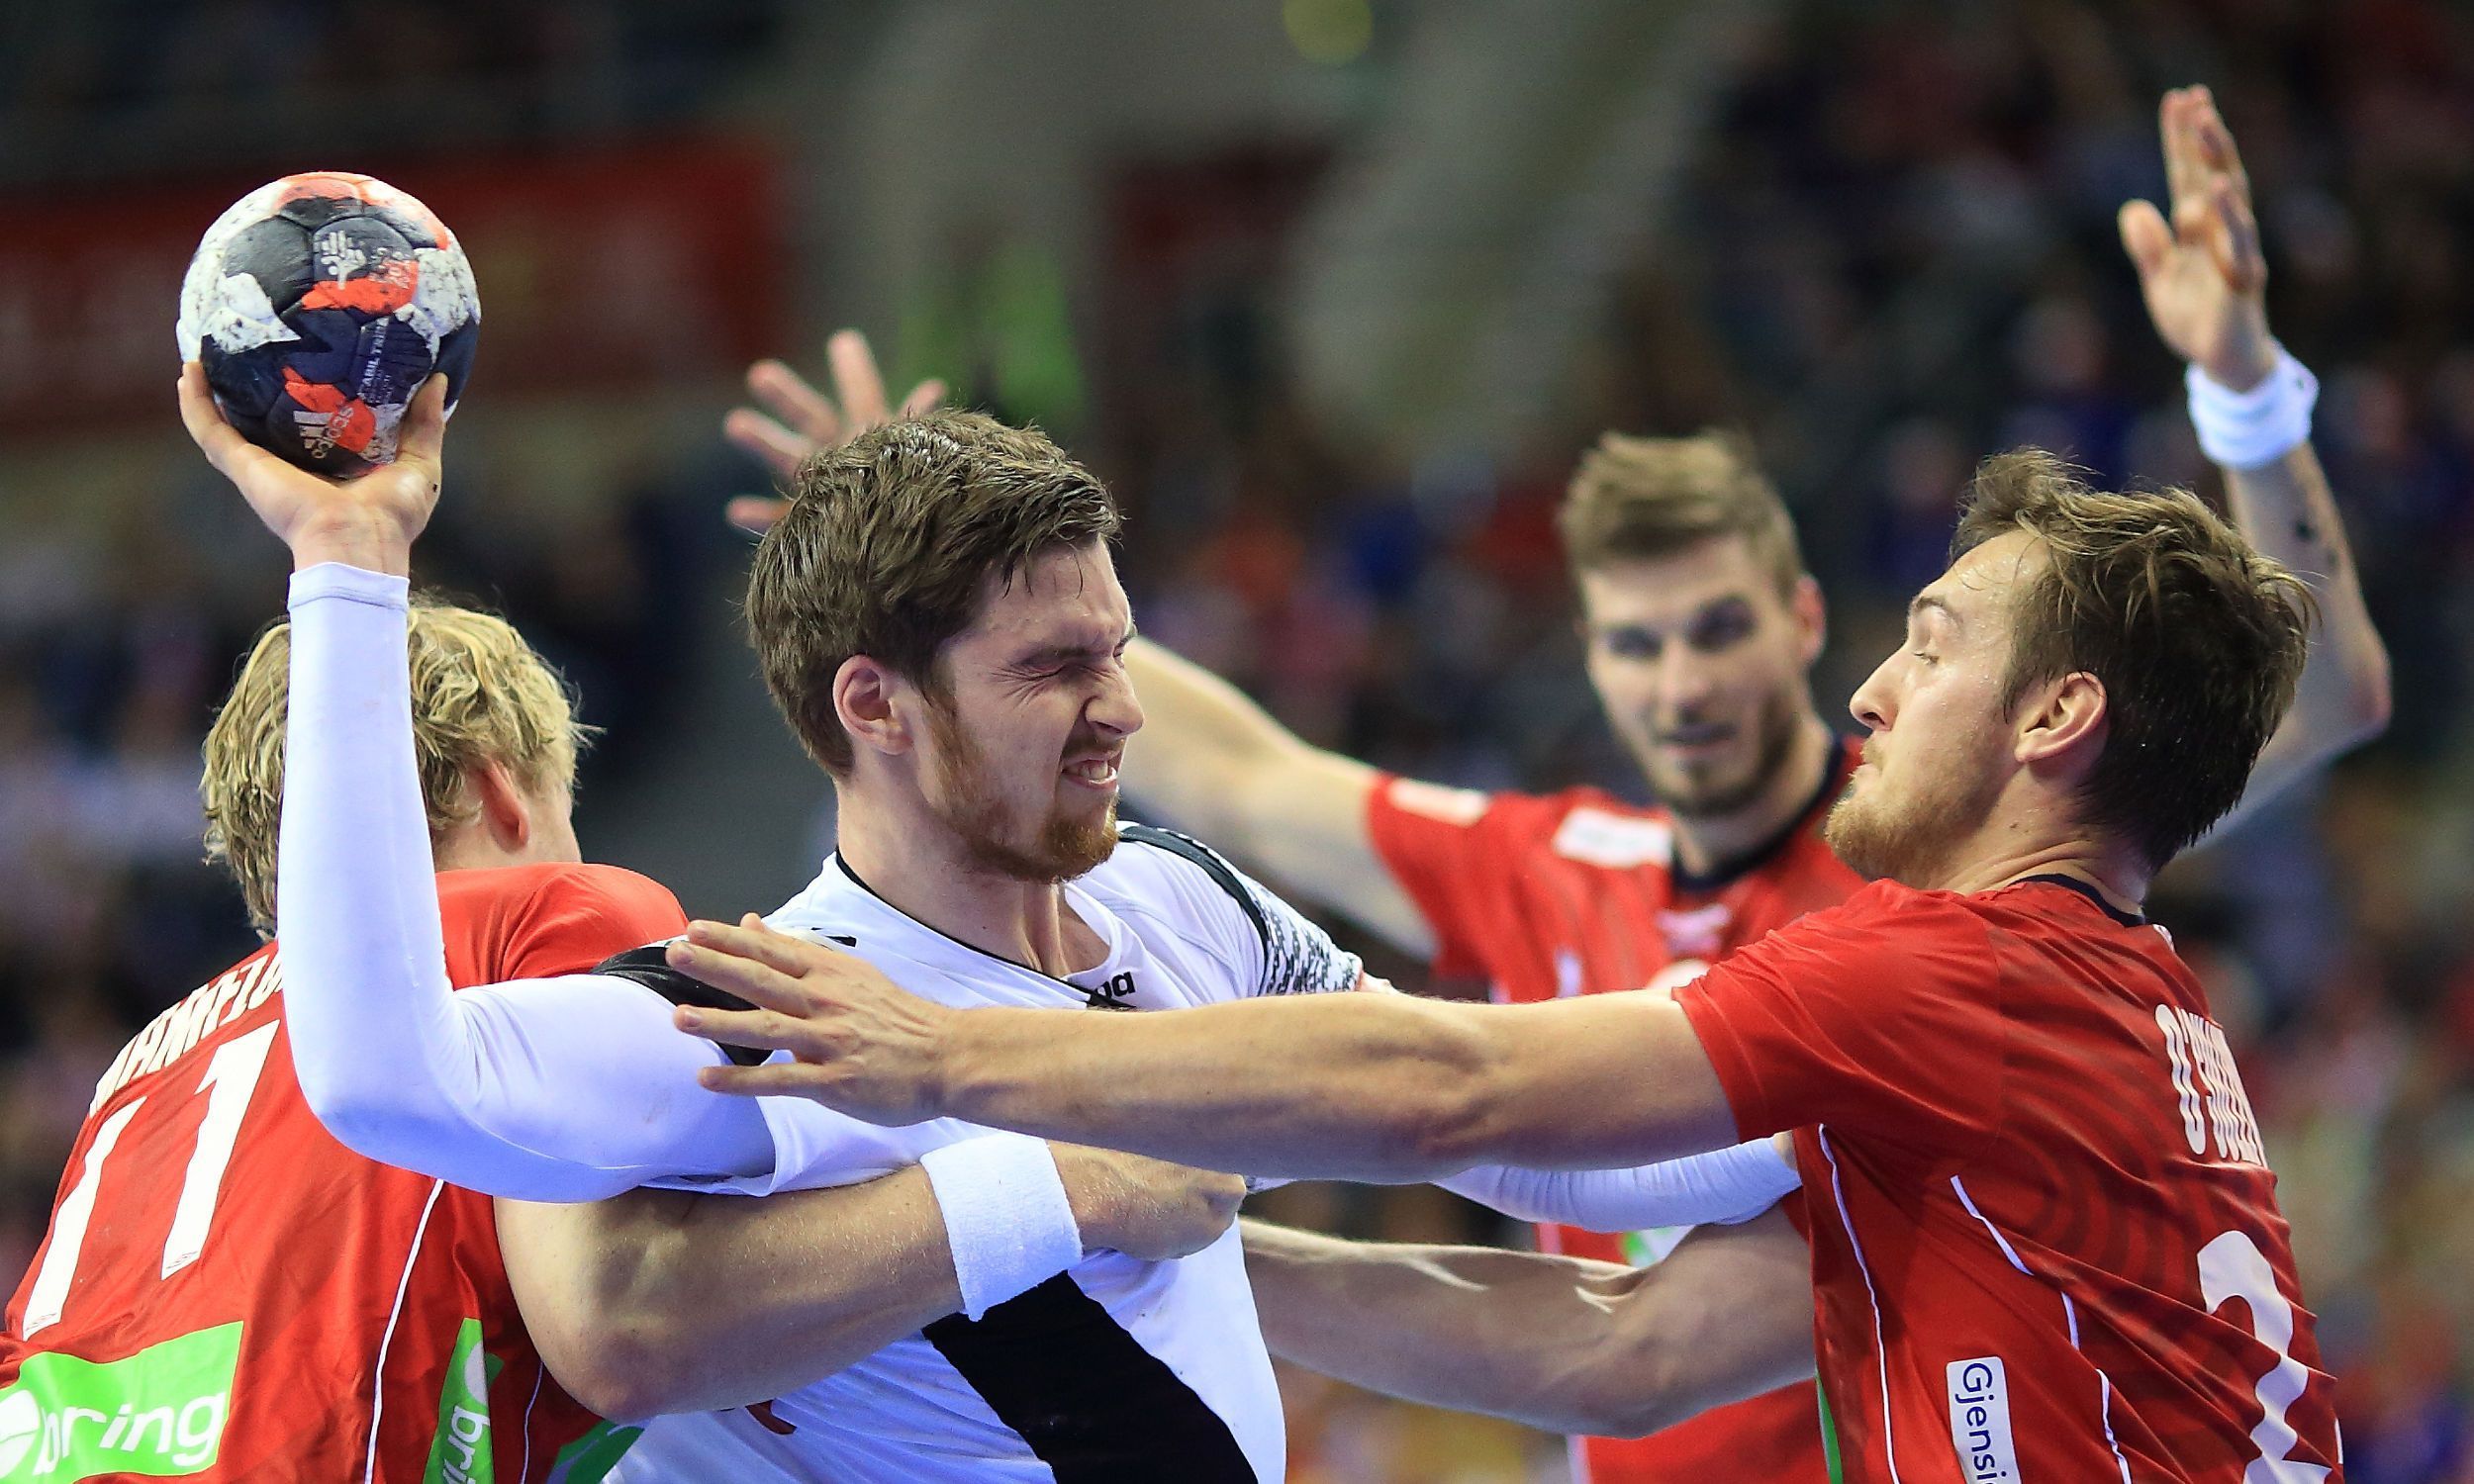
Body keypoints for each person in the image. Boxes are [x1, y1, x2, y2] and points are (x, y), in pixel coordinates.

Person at [714, 83, 2388, 1484]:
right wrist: (927, 565)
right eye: (1636, 642)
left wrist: (961, 1062)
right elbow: (1625, 1339)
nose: (1690, 678)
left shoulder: (1934, 943)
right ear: (1588, 660)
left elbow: (1455, 1091)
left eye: (1737, 631)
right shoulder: (1557, 863)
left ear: (1800, 624)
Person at [0, 554, 1233, 1479]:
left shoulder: (144, 1062)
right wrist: (1069, 1180)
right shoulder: (537, 907)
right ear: (502, 786)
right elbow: (622, 1325)